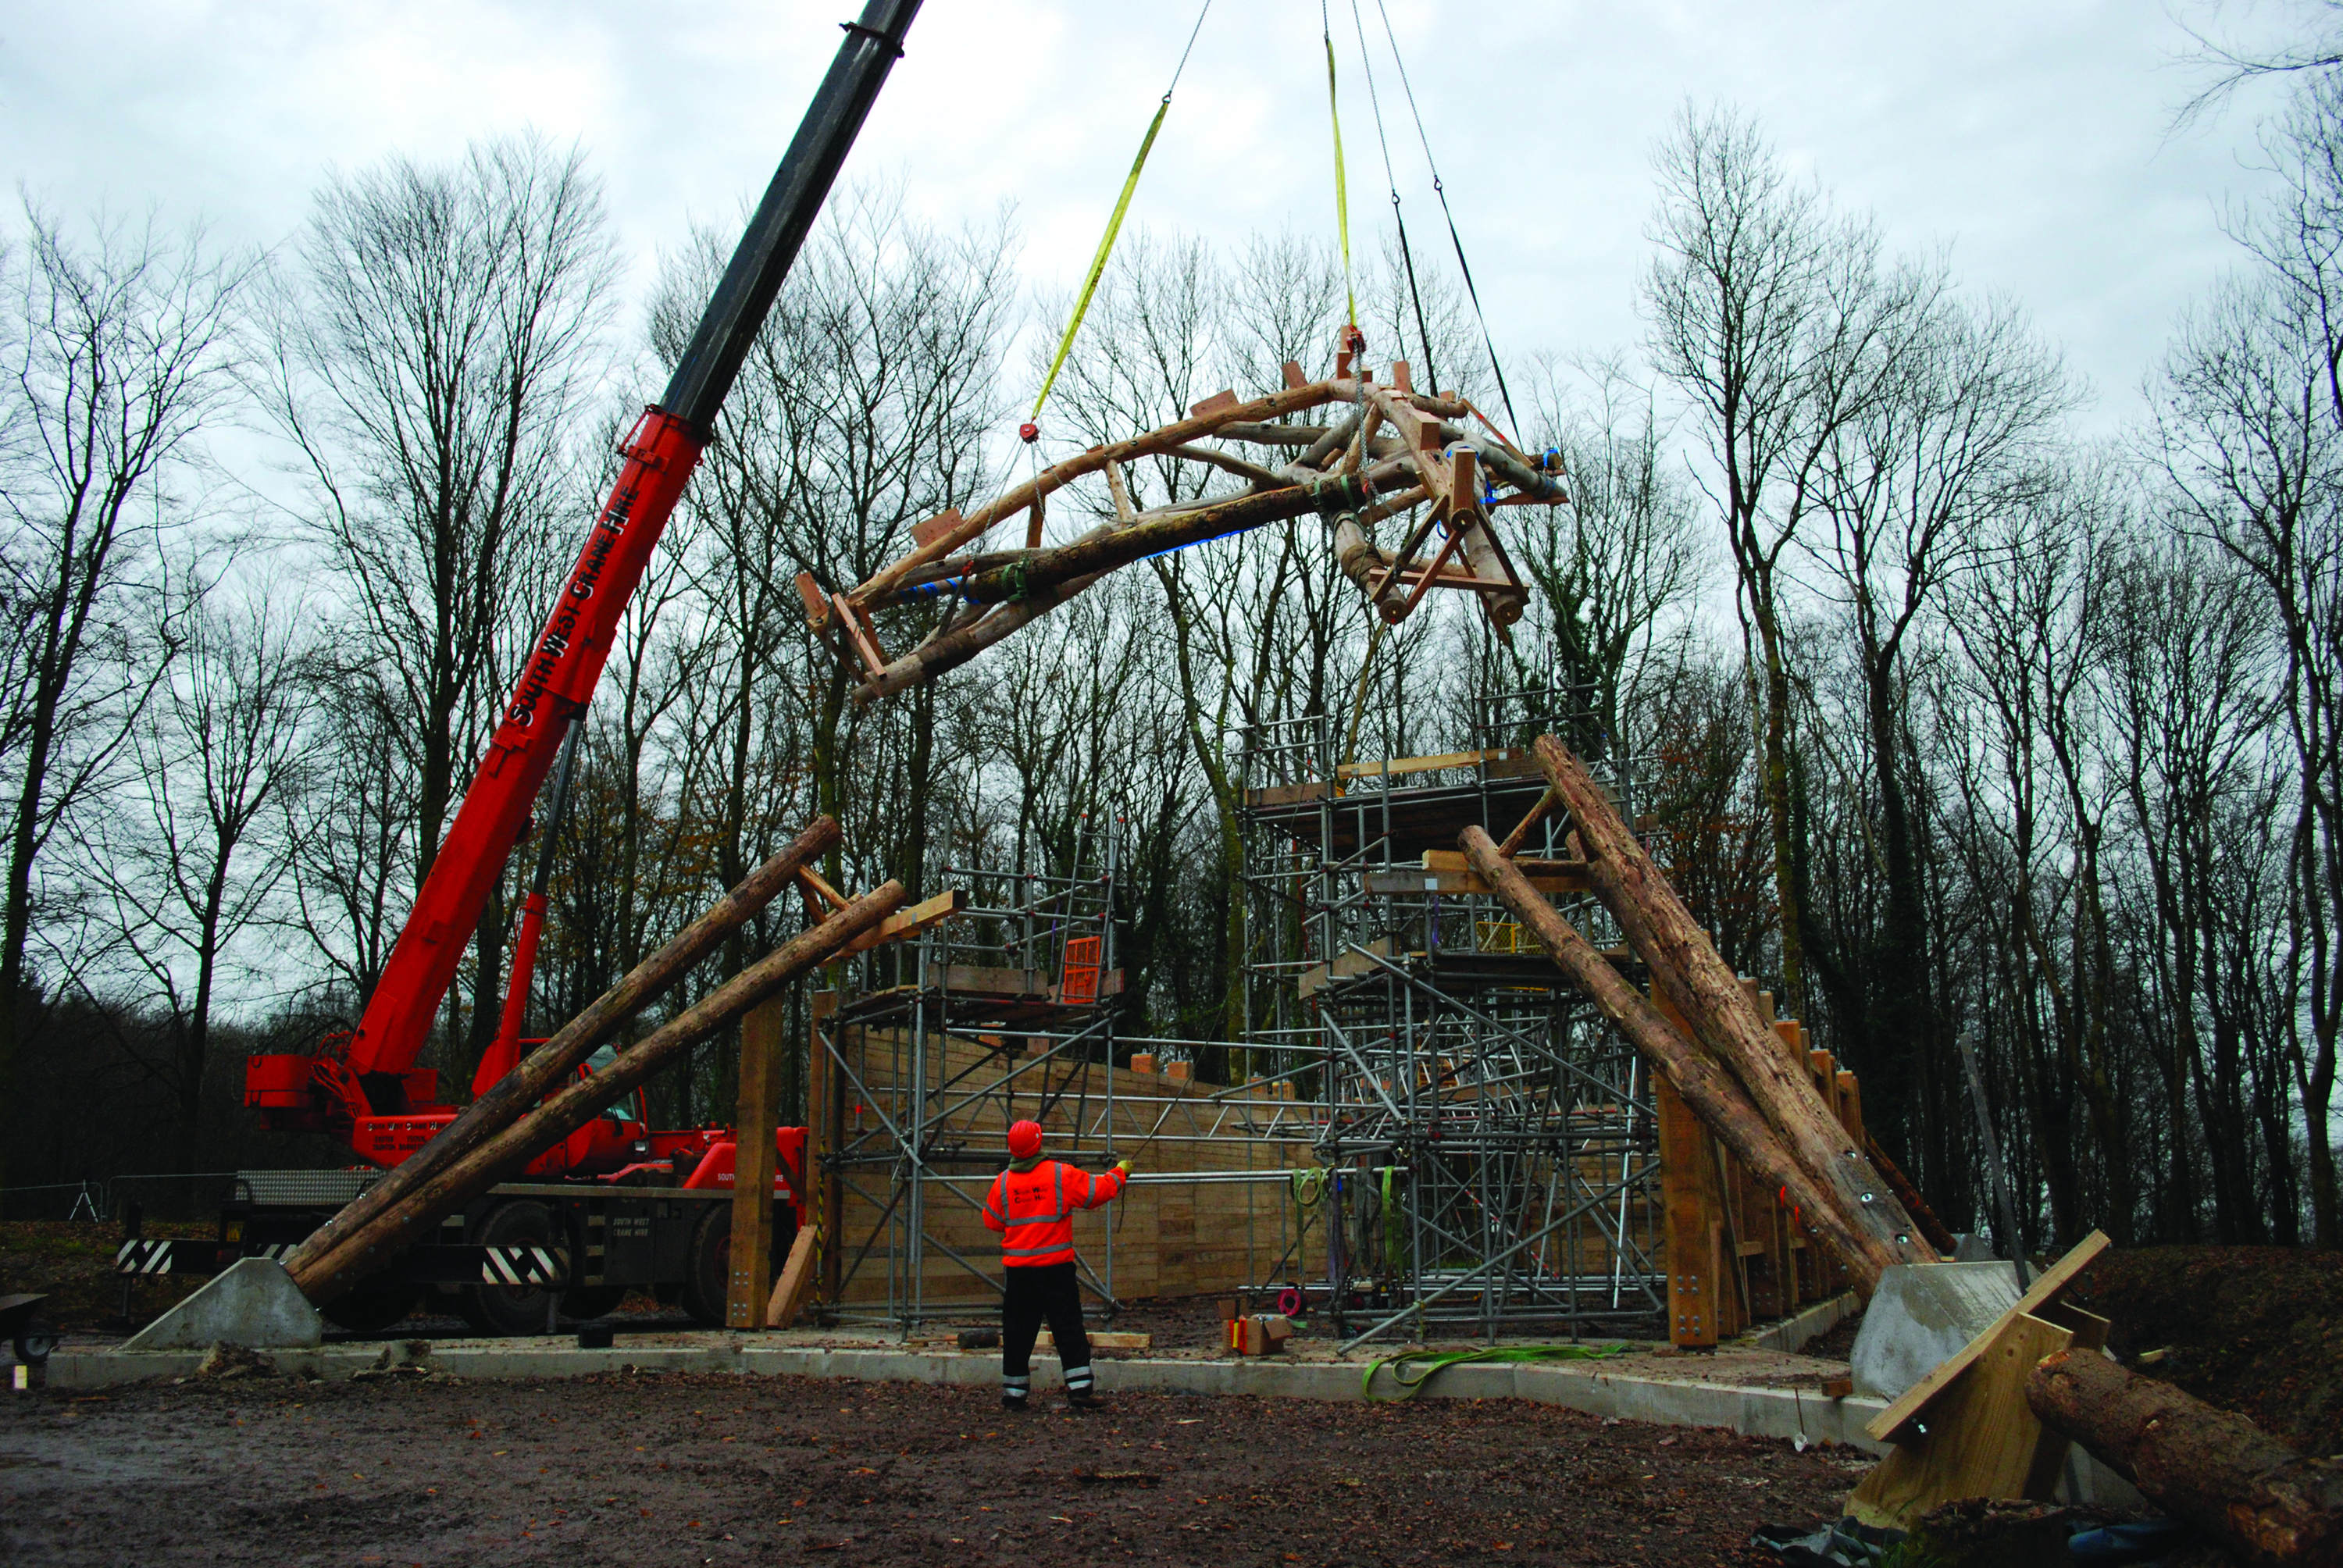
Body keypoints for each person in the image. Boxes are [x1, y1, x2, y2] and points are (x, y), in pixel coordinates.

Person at [982, 1118, 1129, 1411]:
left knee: (1018, 1331)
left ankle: (1014, 1393)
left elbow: (992, 1221)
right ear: (1039, 1142)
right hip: (1055, 1270)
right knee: (1067, 1327)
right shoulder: (1059, 1175)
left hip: (1019, 1273)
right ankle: (1079, 1390)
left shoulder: (1003, 1182)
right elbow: (1097, 1192)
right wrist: (1120, 1173)